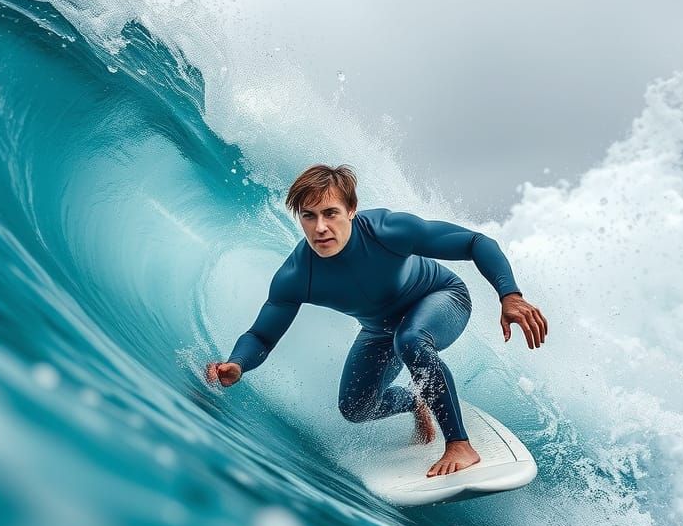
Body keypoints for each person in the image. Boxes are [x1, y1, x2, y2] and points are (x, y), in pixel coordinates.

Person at [206, 164, 547, 477]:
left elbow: (475, 243)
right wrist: (238, 364)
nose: (320, 227)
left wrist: (510, 295)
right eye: (309, 217)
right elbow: (262, 336)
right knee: (356, 408)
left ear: (351, 211)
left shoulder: (387, 231)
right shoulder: (298, 275)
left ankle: (459, 444)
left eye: (330, 213)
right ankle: (415, 400)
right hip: (381, 328)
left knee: (411, 340)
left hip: (441, 298)